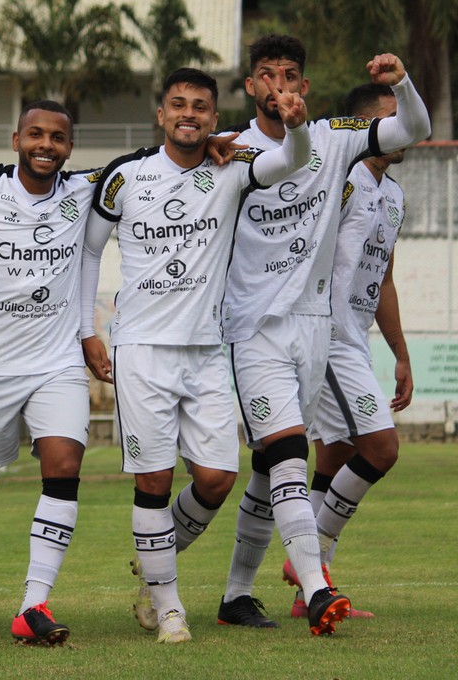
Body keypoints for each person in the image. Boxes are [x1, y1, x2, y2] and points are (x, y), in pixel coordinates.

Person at [80, 67, 312, 643]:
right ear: (161, 114)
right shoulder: (126, 175)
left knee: (216, 479)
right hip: (142, 350)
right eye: (178, 104)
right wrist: (87, 330)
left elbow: (293, 161)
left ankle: (152, 567)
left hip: (207, 349)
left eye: (200, 106)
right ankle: (169, 609)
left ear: (214, 117)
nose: (189, 113)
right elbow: (89, 252)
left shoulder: (231, 168)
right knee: (154, 479)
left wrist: (295, 126)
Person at [216, 35, 430, 635]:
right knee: (327, 453)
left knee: (280, 465)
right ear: (251, 84)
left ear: (304, 85)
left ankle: (241, 592)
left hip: (324, 334)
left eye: (290, 75)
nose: (279, 84)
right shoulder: (232, 151)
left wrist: (402, 81)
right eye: (267, 74)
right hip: (268, 330)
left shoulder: (356, 161)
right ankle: (314, 583)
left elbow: (383, 274)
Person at [0, 100, 99, 646]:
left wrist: (215, 143)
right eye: (35, 134)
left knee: (64, 466)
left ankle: (33, 605)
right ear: (16, 140)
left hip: (57, 364)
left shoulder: (85, 190)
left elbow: (147, 165)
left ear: (69, 147)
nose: (45, 145)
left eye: (57, 137)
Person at [281, 83, 412, 619]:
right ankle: (306, 557)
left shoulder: (393, 195)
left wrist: (400, 353)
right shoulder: (342, 179)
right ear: (365, 126)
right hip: (327, 335)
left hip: (357, 337)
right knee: (382, 449)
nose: (403, 126)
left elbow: (383, 280)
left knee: (333, 458)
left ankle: (308, 593)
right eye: (391, 117)